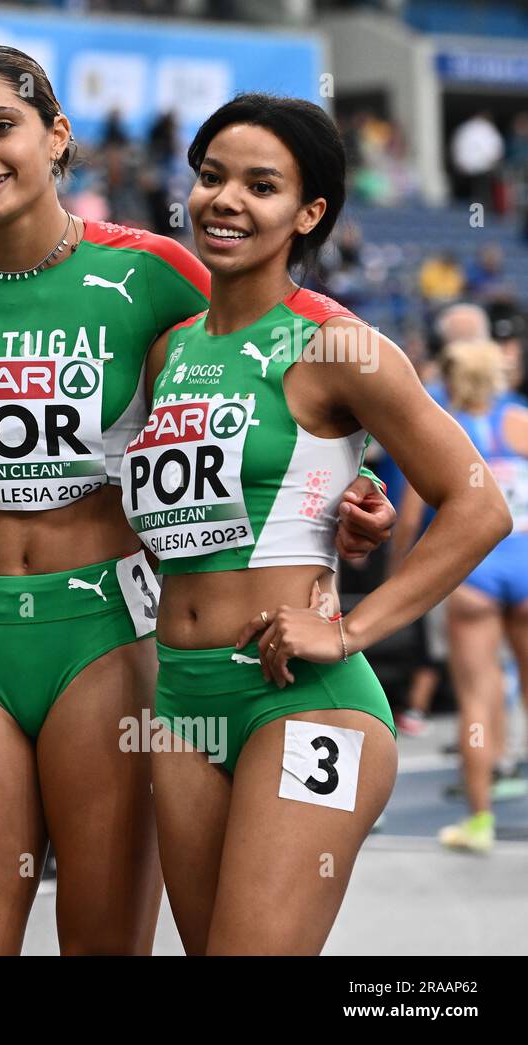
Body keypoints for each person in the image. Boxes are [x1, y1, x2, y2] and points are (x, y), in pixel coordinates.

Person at [0, 46, 395, 955]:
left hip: (106, 631)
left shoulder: (154, 271)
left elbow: (269, 362)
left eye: (0, 126)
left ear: (58, 135)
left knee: (102, 940)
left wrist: (350, 481)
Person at [125, 94, 510, 953]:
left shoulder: (342, 345)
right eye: (212, 176)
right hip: (182, 703)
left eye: (261, 186)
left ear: (308, 213)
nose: (226, 200)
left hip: (305, 704)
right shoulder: (169, 349)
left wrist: (353, 629)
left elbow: (480, 504)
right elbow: (228, 486)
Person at [424, 340, 528, 851]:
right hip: (526, 561)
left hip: (473, 571)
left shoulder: (444, 428)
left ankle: (480, 821)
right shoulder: (521, 421)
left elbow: (410, 508)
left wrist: (405, 570)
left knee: (476, 700)